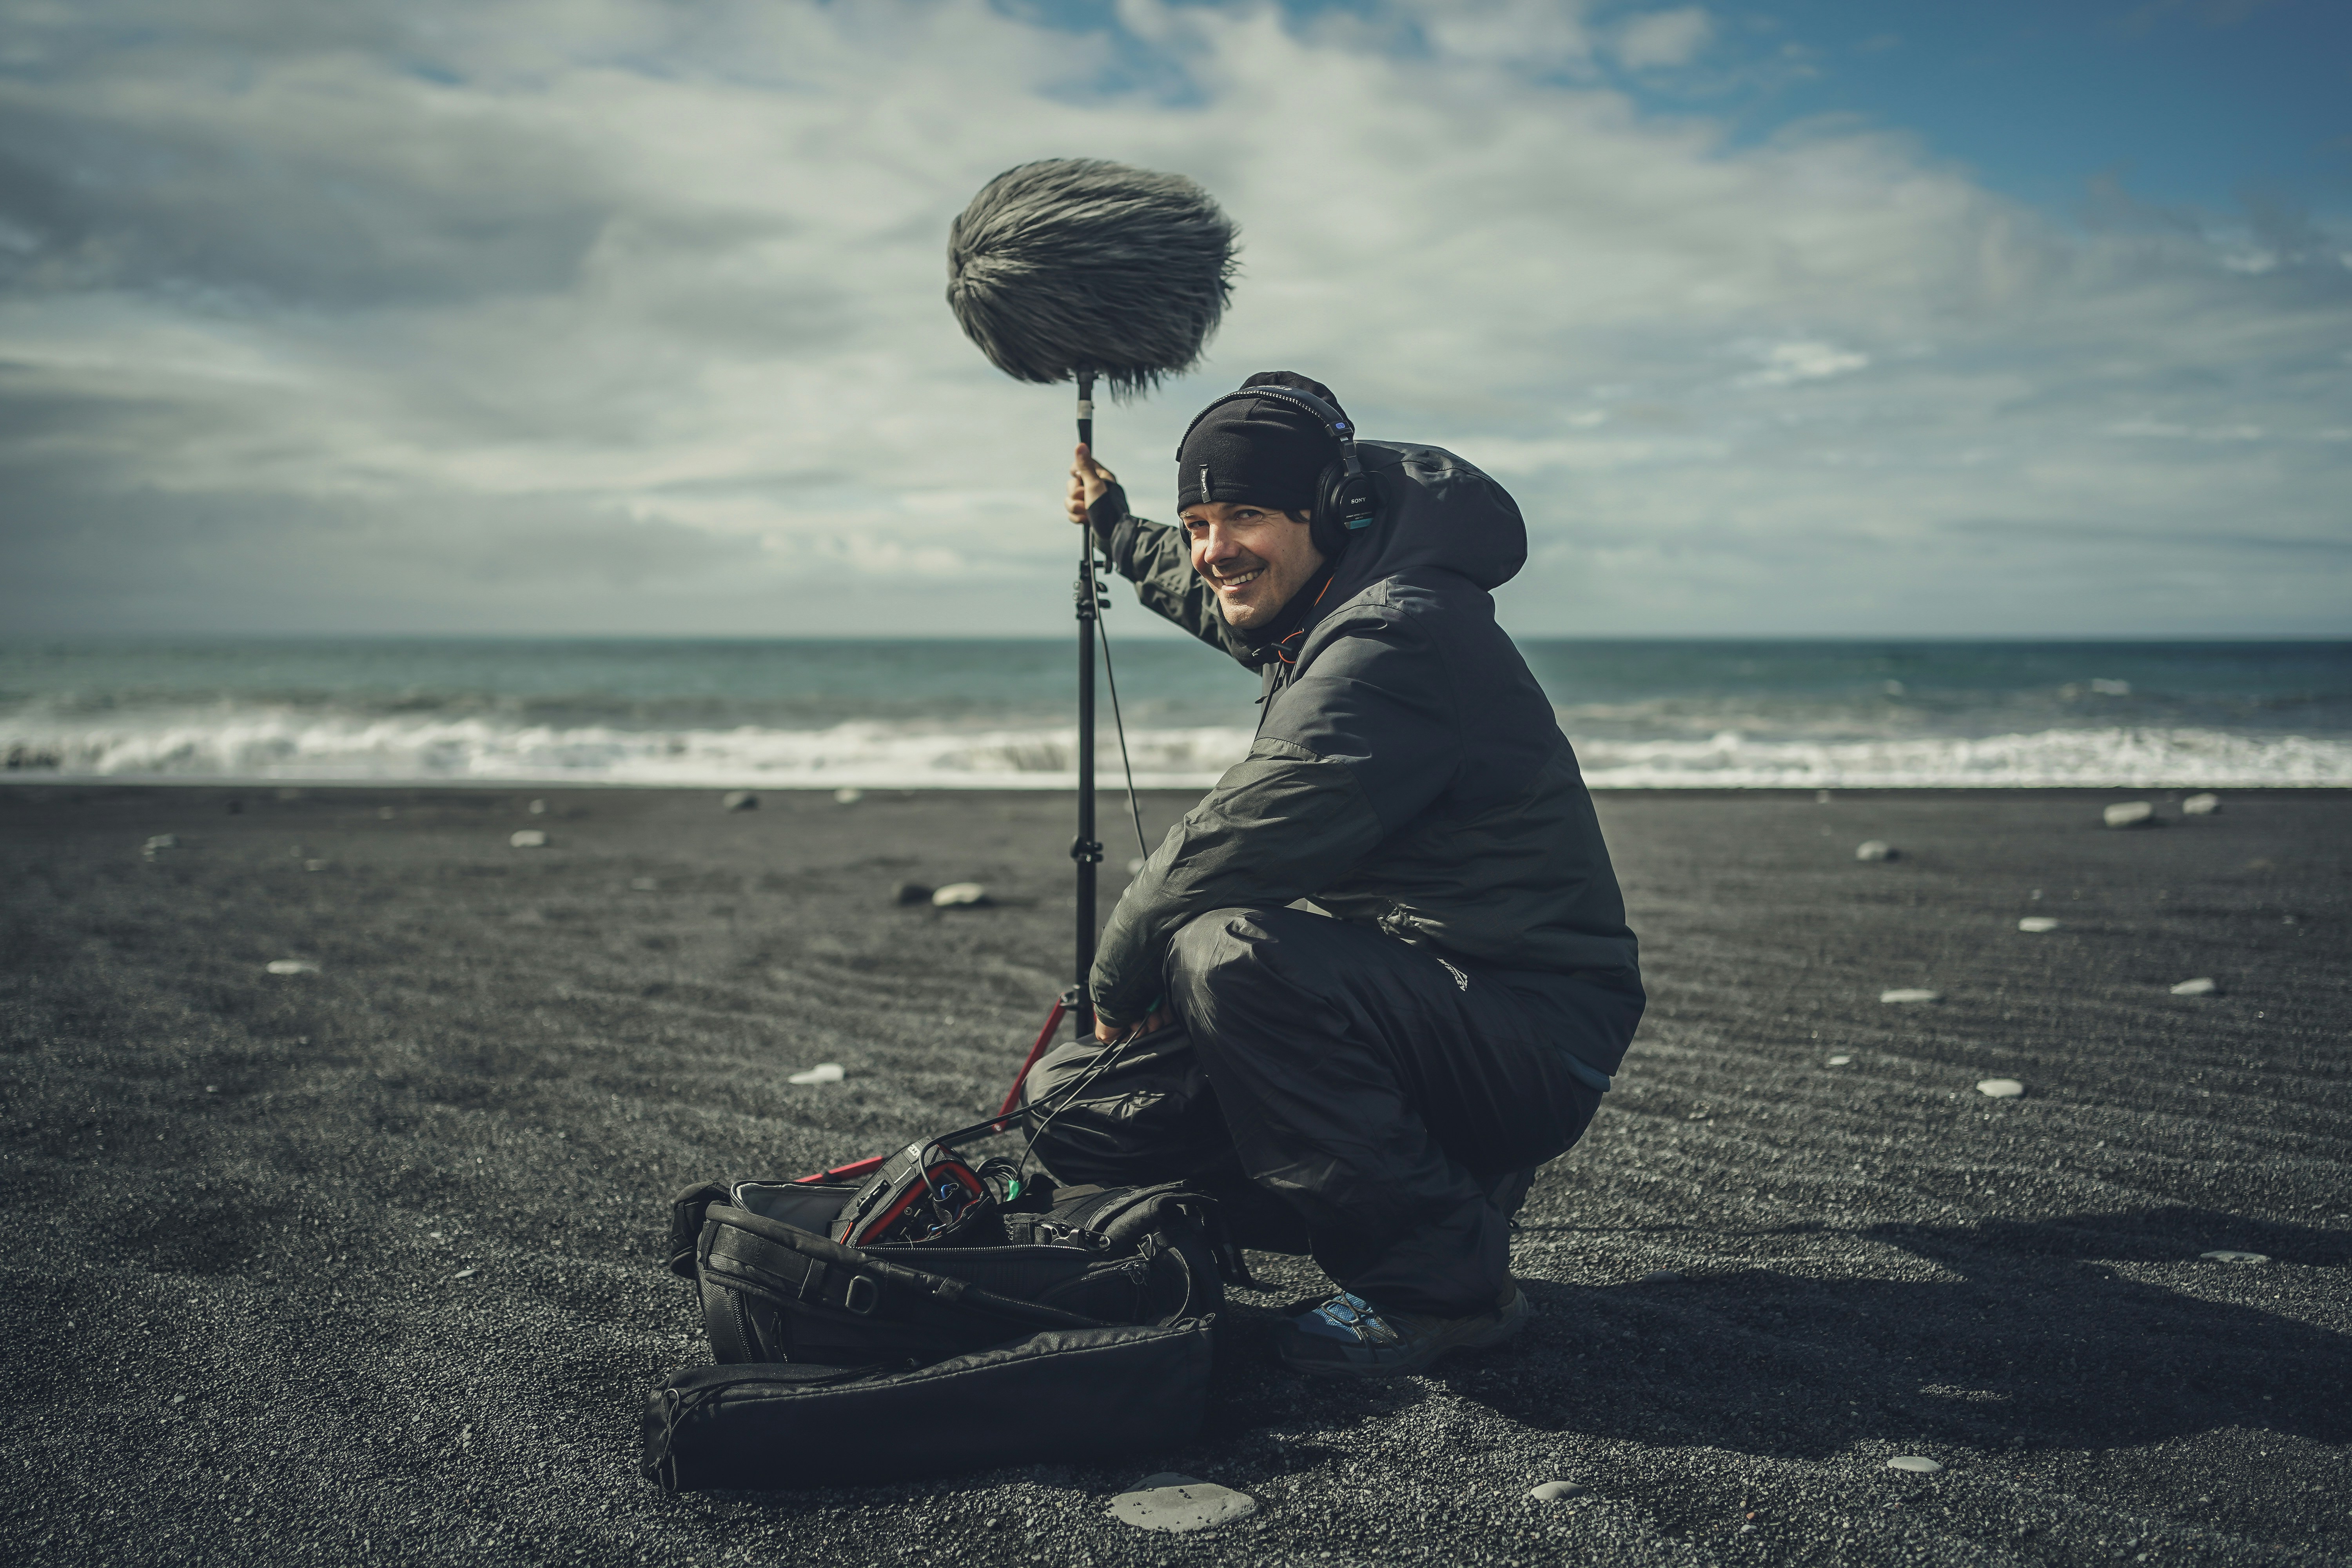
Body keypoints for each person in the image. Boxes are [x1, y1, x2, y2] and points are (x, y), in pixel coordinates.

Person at [1053, 370, 1644, 1377]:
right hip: (1426, 1002)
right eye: (1199, 518)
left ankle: (1445, 1285)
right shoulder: (1331, 601)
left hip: (1529, 1030)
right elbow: (1220, 593)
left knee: (1222, 956)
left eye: (1243, 514)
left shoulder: (1396, 640)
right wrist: (1116, 523)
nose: (1213, 547)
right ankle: (1418, 1193)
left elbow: (1217, 854)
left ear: (1333, 511)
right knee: (1079, 1110)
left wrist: (1116, 997)